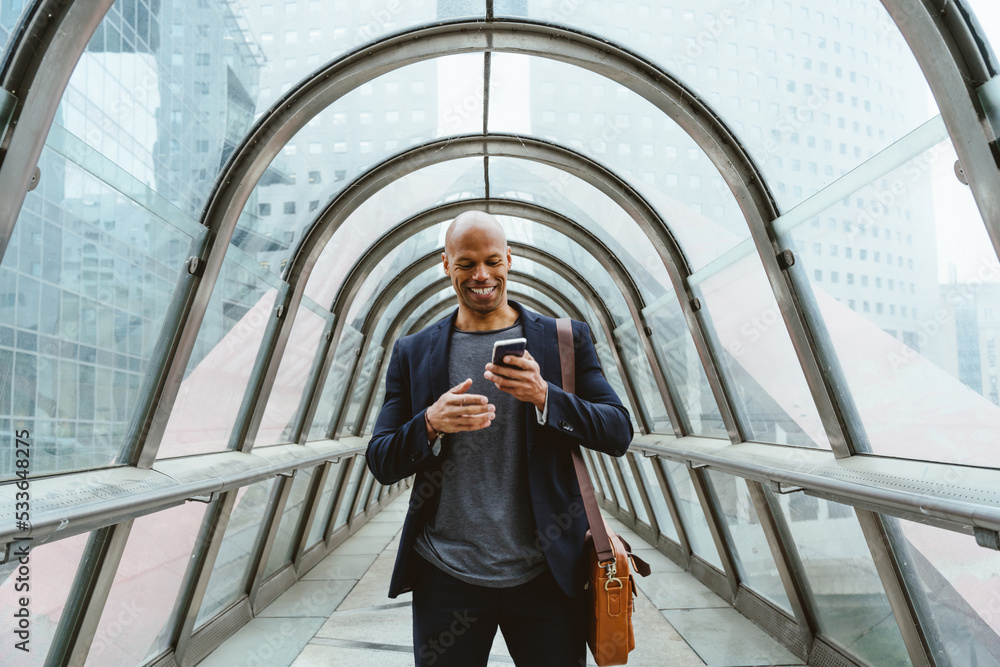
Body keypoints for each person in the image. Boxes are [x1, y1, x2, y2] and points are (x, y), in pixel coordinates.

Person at [366, 210, 633, 667]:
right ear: (445, 266)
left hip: (546, 573)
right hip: (445, 574)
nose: (482, 275)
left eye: (492, 260)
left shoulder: (564, 340)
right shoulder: (413, 352)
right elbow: (382, 460)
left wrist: (546, 396)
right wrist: (429, 422)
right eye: (466, 263)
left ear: (509, 259)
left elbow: (618, 431)